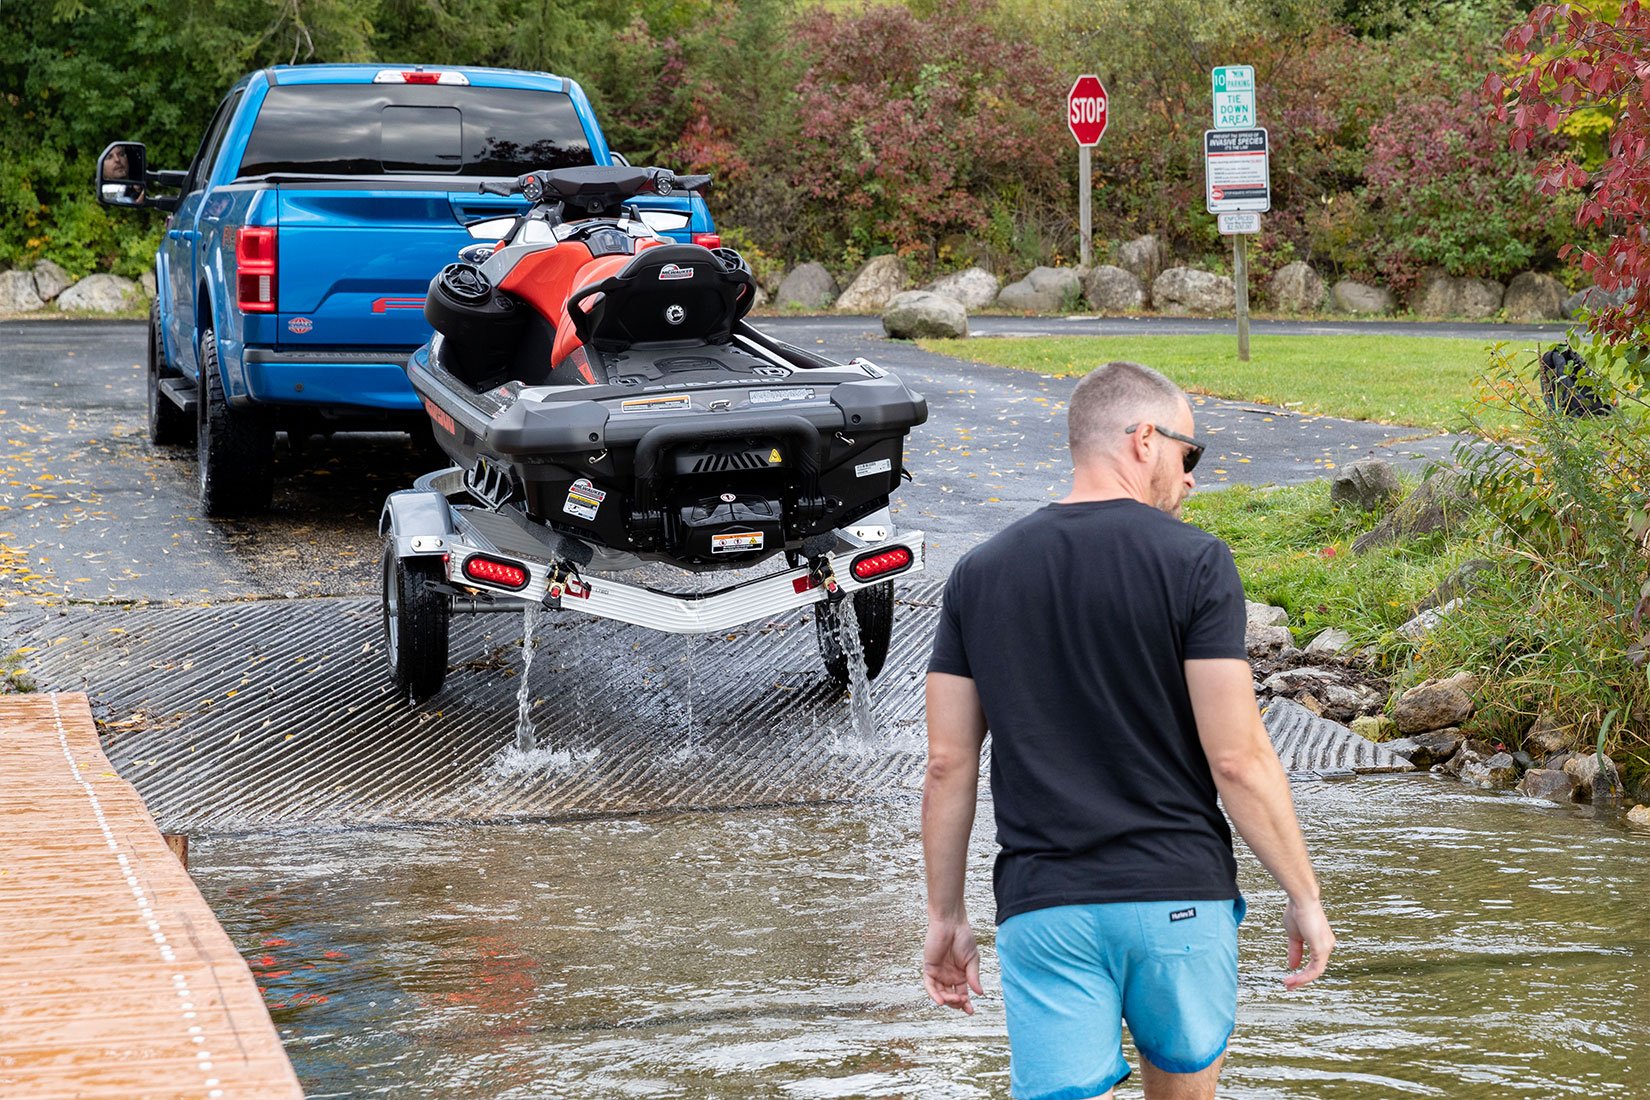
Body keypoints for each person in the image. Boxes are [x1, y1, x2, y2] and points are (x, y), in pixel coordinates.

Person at [921, 360, 1335, 1100]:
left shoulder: (979, 574)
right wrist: (1302, 894)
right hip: (1178, 898)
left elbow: (948, 765)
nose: (1192, 478)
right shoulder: (1197, 563)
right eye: (1189, 454)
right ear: (1144, 439)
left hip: (1045, 908)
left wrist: (945, 915)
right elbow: (1238, 759)